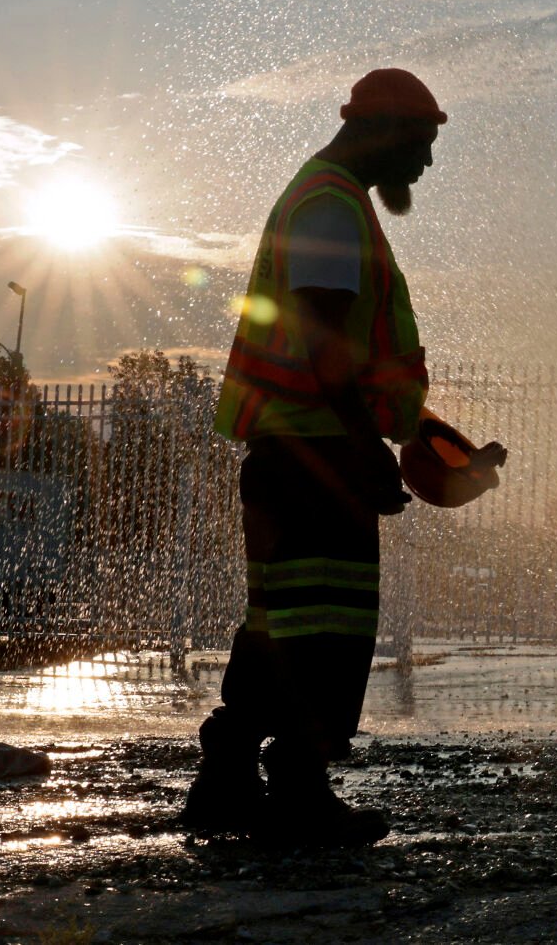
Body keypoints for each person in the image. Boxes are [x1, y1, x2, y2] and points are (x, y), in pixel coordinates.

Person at [183, 68, 449, 845]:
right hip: (314, 461)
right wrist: (365, 451)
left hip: (301, 455)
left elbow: (347, 362)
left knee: (287, 626)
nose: (426, 162)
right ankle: (288, 788)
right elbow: (323, 337)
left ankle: (233, 782)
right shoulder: (330, 206)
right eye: (420, 142)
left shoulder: (330, 199)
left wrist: (429, 442)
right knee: (320, 633)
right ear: (383, 131)